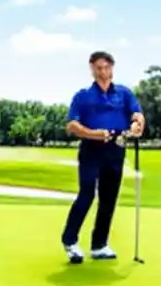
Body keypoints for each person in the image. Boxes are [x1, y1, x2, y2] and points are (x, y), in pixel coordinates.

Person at [61, 51, 145, 264]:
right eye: (98, 68)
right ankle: (70, 241)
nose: (102, 72)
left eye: (106, 67)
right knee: (87, 194)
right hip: (91, 149)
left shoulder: (124, 94)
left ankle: (99, 245)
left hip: (116, 148)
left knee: (109, 198)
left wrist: (137, 124)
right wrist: (93, 133)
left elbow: (136, 114)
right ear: (92, 69)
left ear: (112, 68)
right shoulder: (82, 96)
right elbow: (72, 125)